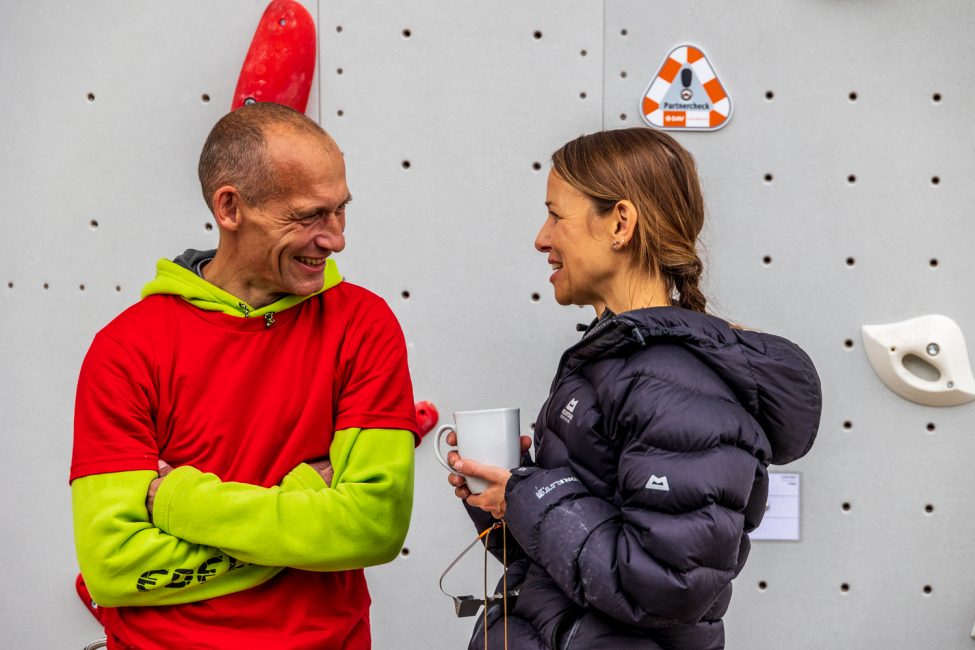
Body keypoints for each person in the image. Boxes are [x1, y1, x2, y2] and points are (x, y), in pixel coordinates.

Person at [446, 127, 821, 649]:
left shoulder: (673, 380)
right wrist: (504, 496)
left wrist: (529, 495)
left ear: (620, 223)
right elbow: (578, 567)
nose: (541, 238)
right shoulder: (618, 364)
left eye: (556, 214)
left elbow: (668, 586)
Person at [70, 102, 418, 649]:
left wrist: (180, 502)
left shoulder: (364, 325)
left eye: (340, 210)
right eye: (307, 215)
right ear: (230, 207)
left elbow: (372, 526)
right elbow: (113, 567)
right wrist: (303, 499)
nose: (335, 239)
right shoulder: (126, 348)